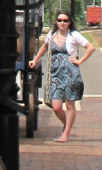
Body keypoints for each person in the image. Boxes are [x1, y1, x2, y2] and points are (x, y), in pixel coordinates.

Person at [29, 12, 95, 142]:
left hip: (71, 74)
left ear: (69, 22)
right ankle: (67, 125)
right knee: (56, 106)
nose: (62, 23)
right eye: (60, 20)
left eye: (65, 20)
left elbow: (90, 48)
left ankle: (66, 133)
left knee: (70, 104)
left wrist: (79, 61)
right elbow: (45, 46)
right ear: (56, 22)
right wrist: (35, 59)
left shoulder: (73, 35)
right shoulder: (51, 35)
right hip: (55, 74)